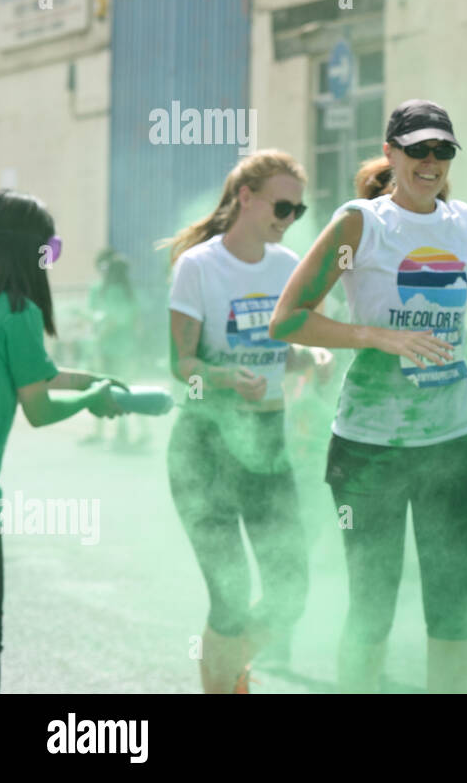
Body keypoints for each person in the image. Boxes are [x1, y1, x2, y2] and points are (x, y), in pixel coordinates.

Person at [270, 99, 467, 694]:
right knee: (372, 608)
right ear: (391, 153)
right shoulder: (361, 223)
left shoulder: (466, 227)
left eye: (442, 151)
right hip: (369, 447)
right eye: (418, 150)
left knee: (453, 611)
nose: (430, 162)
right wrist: (373, 336)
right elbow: (287, 320)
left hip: (451, 440)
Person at [160, 151, 330, 694]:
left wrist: (312, 360)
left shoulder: (286, 266)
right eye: (281, 204)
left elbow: (287, 350)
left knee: (291, 590)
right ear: (246, 198)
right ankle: (229, 679)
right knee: (229, 597)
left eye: (297, 209)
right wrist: (226, 378)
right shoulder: (200, 267)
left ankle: (231, 668)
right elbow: (180, 365)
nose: (288, 216)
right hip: (205, 446)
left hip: (267, 441)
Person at [0, 190, 124, 692]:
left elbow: (36, 374)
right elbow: (39, 408)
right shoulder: (15, 307)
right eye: (51, 248)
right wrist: (92, 399)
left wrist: (95, 378)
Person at [82, 251, 144, 450]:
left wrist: (97, 343)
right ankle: (131, 431)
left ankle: (112, 432)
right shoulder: (130, 291)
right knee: (127, 389)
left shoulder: (108, 291)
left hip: (109, 349)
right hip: (128, 348)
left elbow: (110, 320)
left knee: (105, 389)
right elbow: (136, 323)